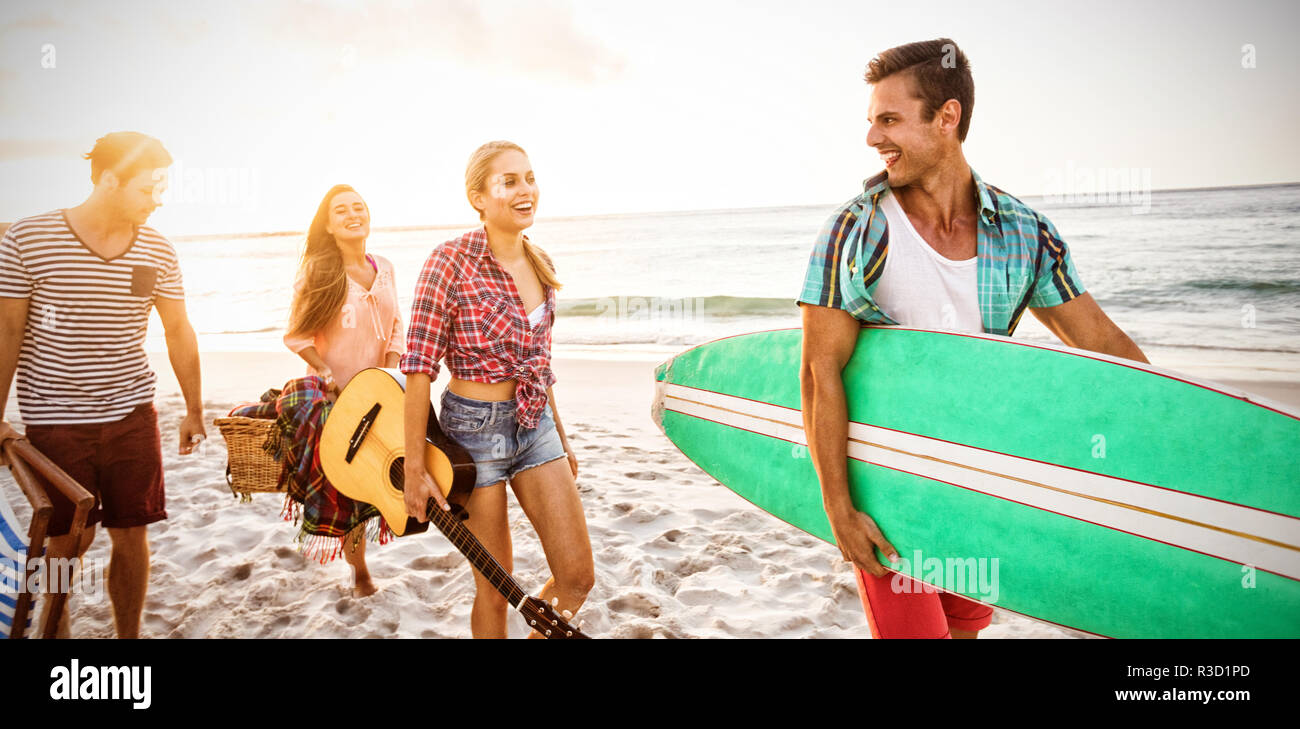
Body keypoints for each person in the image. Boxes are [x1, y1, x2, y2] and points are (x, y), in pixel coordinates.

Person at [797, 39, 1149, 639]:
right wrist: (838, 508)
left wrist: (1177, 421)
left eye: (889, 120)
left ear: (947, 117)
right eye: (872, 121)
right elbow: (817, 371)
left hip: (980, 485)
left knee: (965, 633)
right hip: (887, 491)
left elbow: (1100, 343)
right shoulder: (855, 229)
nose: (872, 137)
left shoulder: (1025, 231)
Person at [0, 131, 205, 638]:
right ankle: (57, 636)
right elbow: (7, 331)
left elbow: (178, 329)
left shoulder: (157, 250)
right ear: (109, 180)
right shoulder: (27, 239)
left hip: (132, 413)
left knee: (132, 534)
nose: (158, 200)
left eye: (161, 188)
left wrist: (194, 409)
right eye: (148, 189)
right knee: (69, 541)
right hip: (56, 419)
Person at [400, 141, 594, 638]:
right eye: (509, 181)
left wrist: (562, 438)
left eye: (529, 177)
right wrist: (415, 468)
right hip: (472, 436)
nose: (526, 189)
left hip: (536, 426)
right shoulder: (449, 261)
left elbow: (540, 366)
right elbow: (418, 367)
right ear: (478, 198)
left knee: (576, 578)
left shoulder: (540, 263)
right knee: (494, 588)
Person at [282, 184, 405, 597]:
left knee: (388, 473)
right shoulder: (319, 272)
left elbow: (396, 325)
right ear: (329, 226)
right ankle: (360, 571)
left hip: (382, 393)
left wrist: (390, 371)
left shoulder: (385, 267)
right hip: (336, 398)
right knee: (350, 489)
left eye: (358, 207)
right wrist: (324, 371)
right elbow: (297, 335)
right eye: (341, 211)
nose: (353, 214)